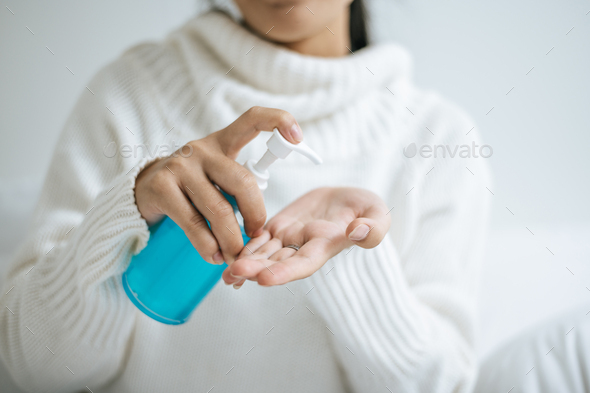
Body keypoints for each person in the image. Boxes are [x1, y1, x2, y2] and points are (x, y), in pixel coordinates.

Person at [0, 0, 491, 392]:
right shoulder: (128, 95)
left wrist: (351, 254)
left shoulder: (438, 140)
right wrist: (125, 211)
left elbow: (442, 385)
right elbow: (33, 370)